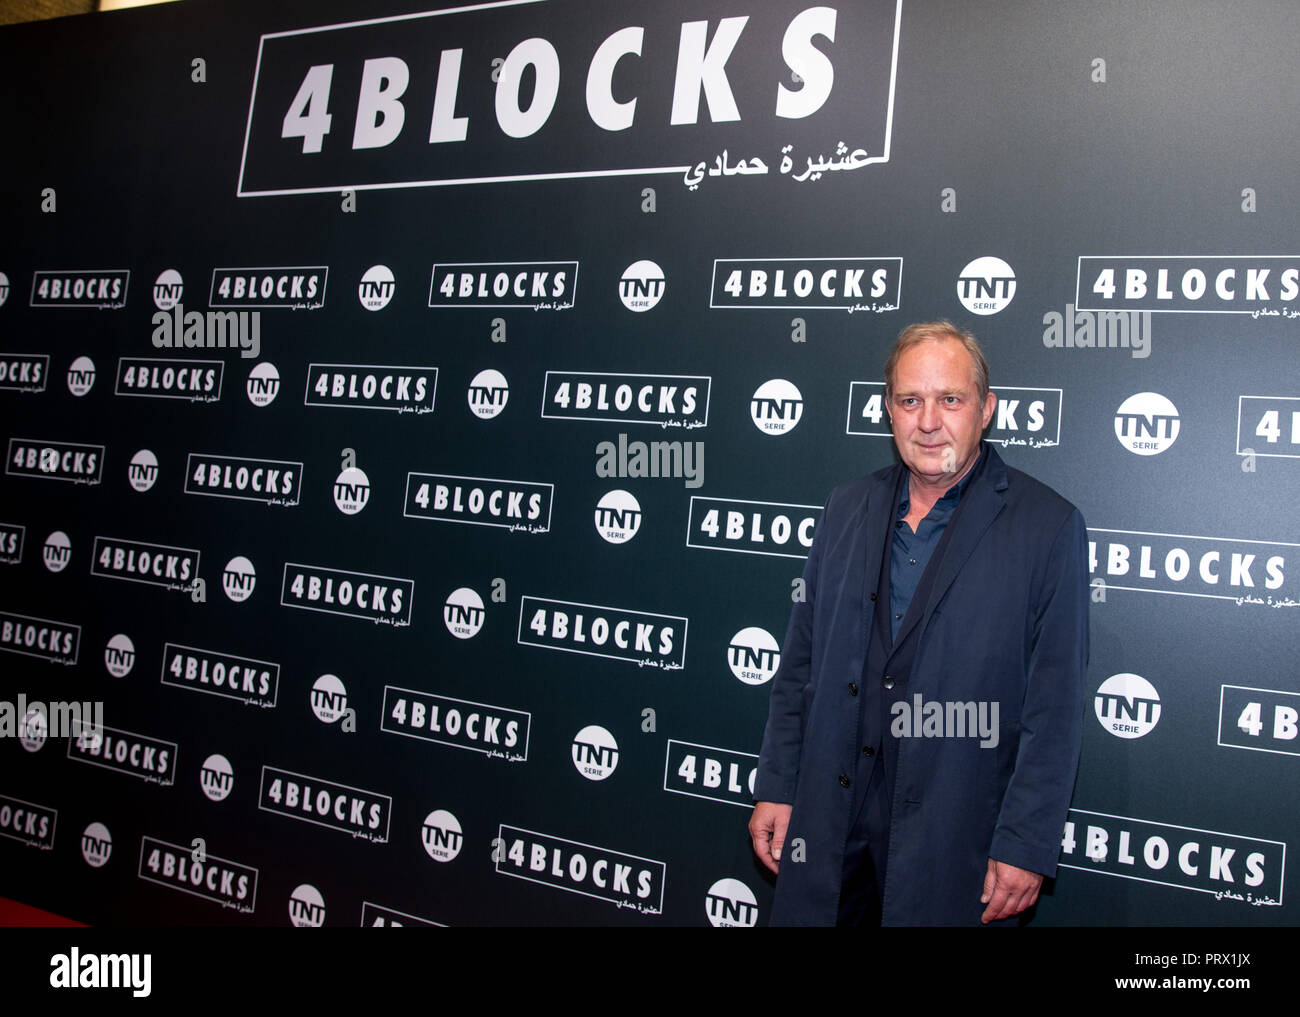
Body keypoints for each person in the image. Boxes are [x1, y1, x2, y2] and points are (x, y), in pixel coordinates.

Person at [748, 321, 1088, 926]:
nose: (928, 421)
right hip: (830, 824)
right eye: (911, 401)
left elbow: (1054, 706)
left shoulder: (1047, 526)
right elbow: (800, 659)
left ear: (986, 410)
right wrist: (778, 781)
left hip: (953, 839)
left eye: (949, 399)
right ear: (889, 410)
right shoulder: (845, 506)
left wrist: (1025, 842)